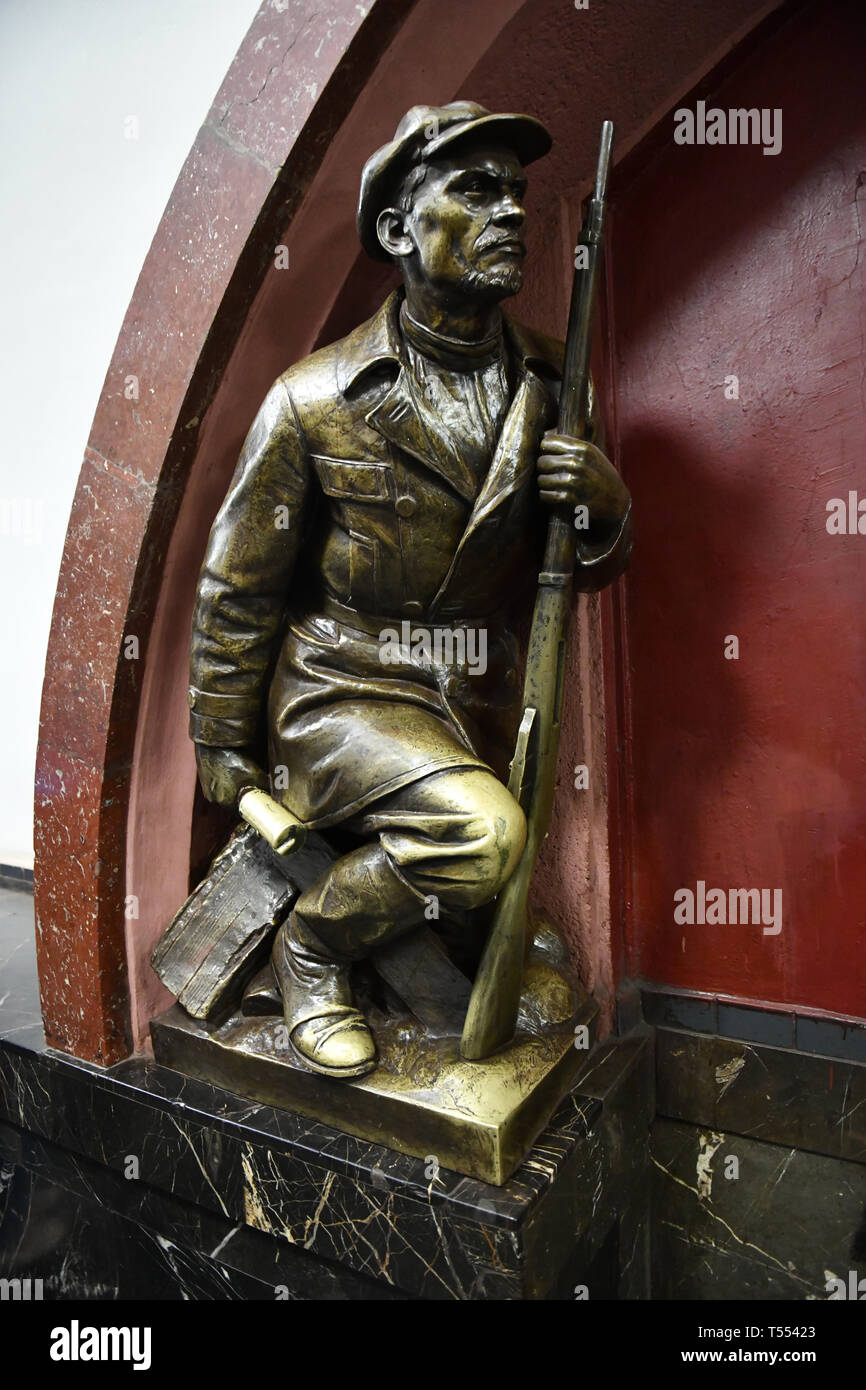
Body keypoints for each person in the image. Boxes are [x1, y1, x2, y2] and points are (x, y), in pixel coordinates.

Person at [188, 102, 632, 1079]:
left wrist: (604, 507)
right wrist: (220, 739)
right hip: (342, 687)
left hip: (471, 687)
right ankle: (313, 950)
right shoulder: (315, 398)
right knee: (479, 837)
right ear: (397, 229)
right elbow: (238, 586)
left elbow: (588, 564)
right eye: (473, 191)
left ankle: (462, 922)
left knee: (487, 856)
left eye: (513, 194)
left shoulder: (555, 382)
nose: (509, 214)